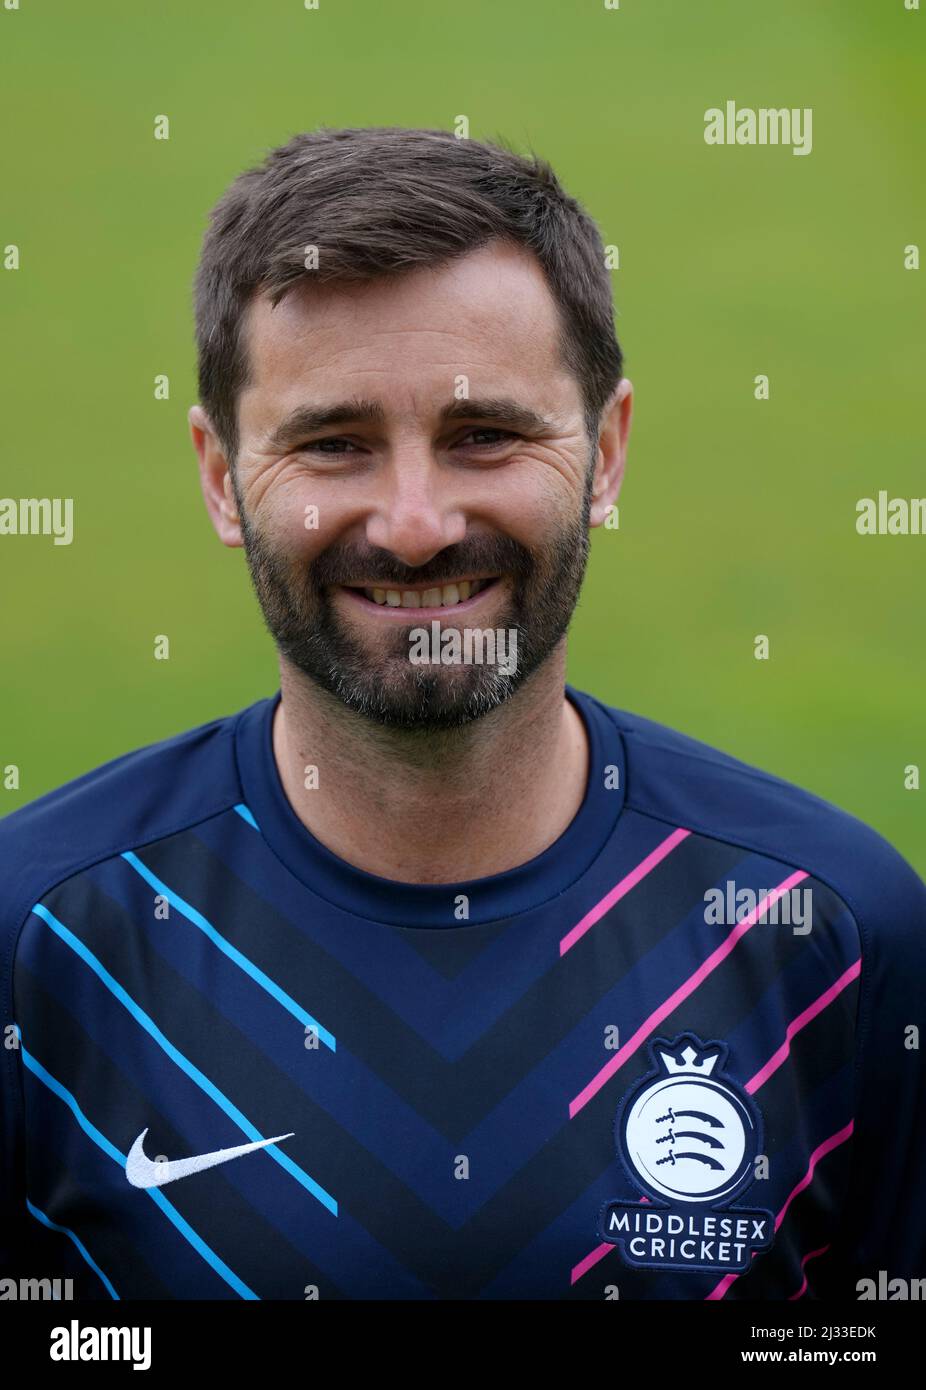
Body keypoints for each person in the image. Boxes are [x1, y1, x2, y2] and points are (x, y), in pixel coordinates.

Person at [1, 127, 923, 1302]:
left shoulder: (832, 931)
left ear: (605, 451)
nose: (415, 522)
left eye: (482, 434)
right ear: (220, 476)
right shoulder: (42, 942)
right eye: (332, 445)